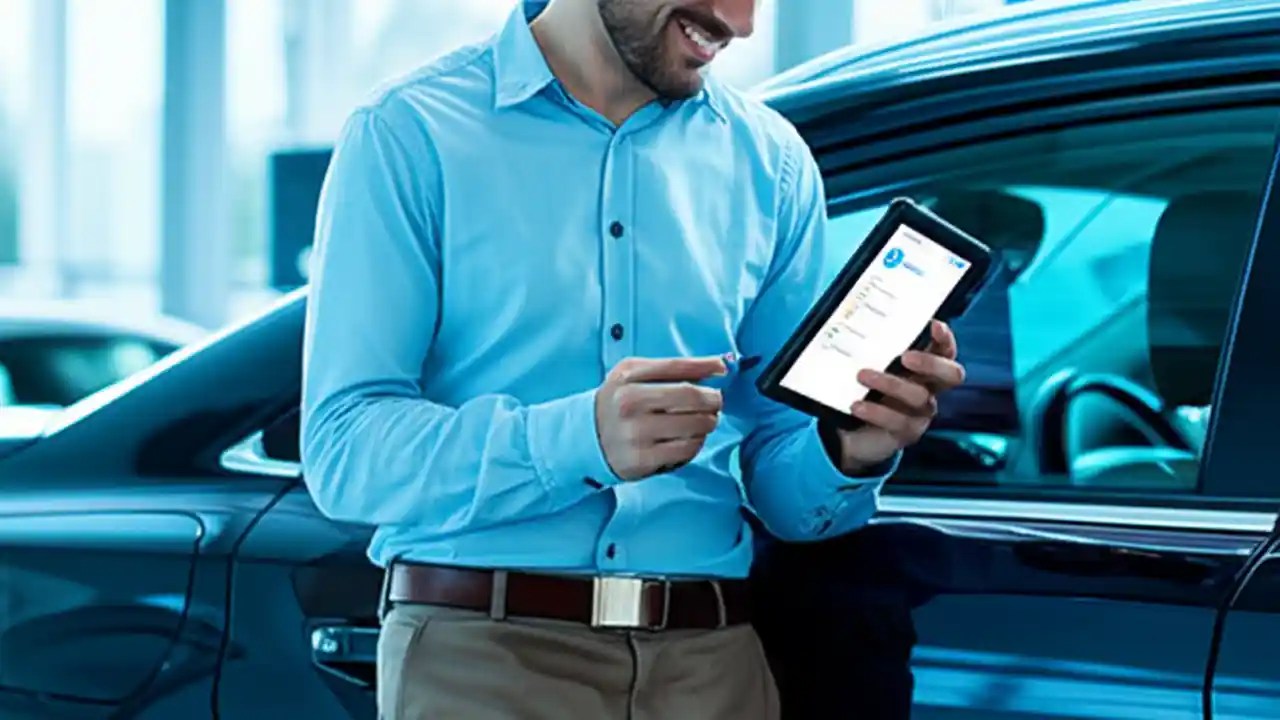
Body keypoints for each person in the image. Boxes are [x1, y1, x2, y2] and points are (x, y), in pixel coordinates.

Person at [299, 0, 967, 718]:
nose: (738, 24)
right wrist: (580, 439)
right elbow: (344, 452)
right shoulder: (411, 134)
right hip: (484, 659)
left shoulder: (770, 164)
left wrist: (847, 450)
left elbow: (786, 486)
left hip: (714, 666)